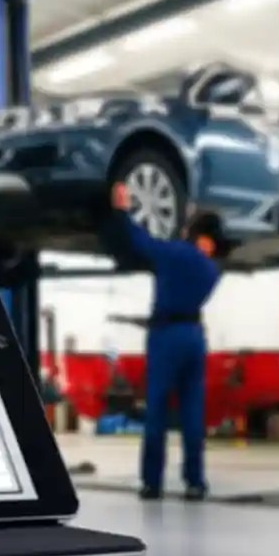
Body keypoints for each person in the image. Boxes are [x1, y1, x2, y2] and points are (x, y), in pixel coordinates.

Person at [103, 184, 224, 501]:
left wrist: (121, 210)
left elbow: (140, 241)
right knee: (192, 413)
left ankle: (152, 483)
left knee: (156, 409)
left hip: (166, 337)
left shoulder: (175, 253)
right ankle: (195, 482)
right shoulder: (212, 271)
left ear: (191, 232)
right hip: (195, 338)